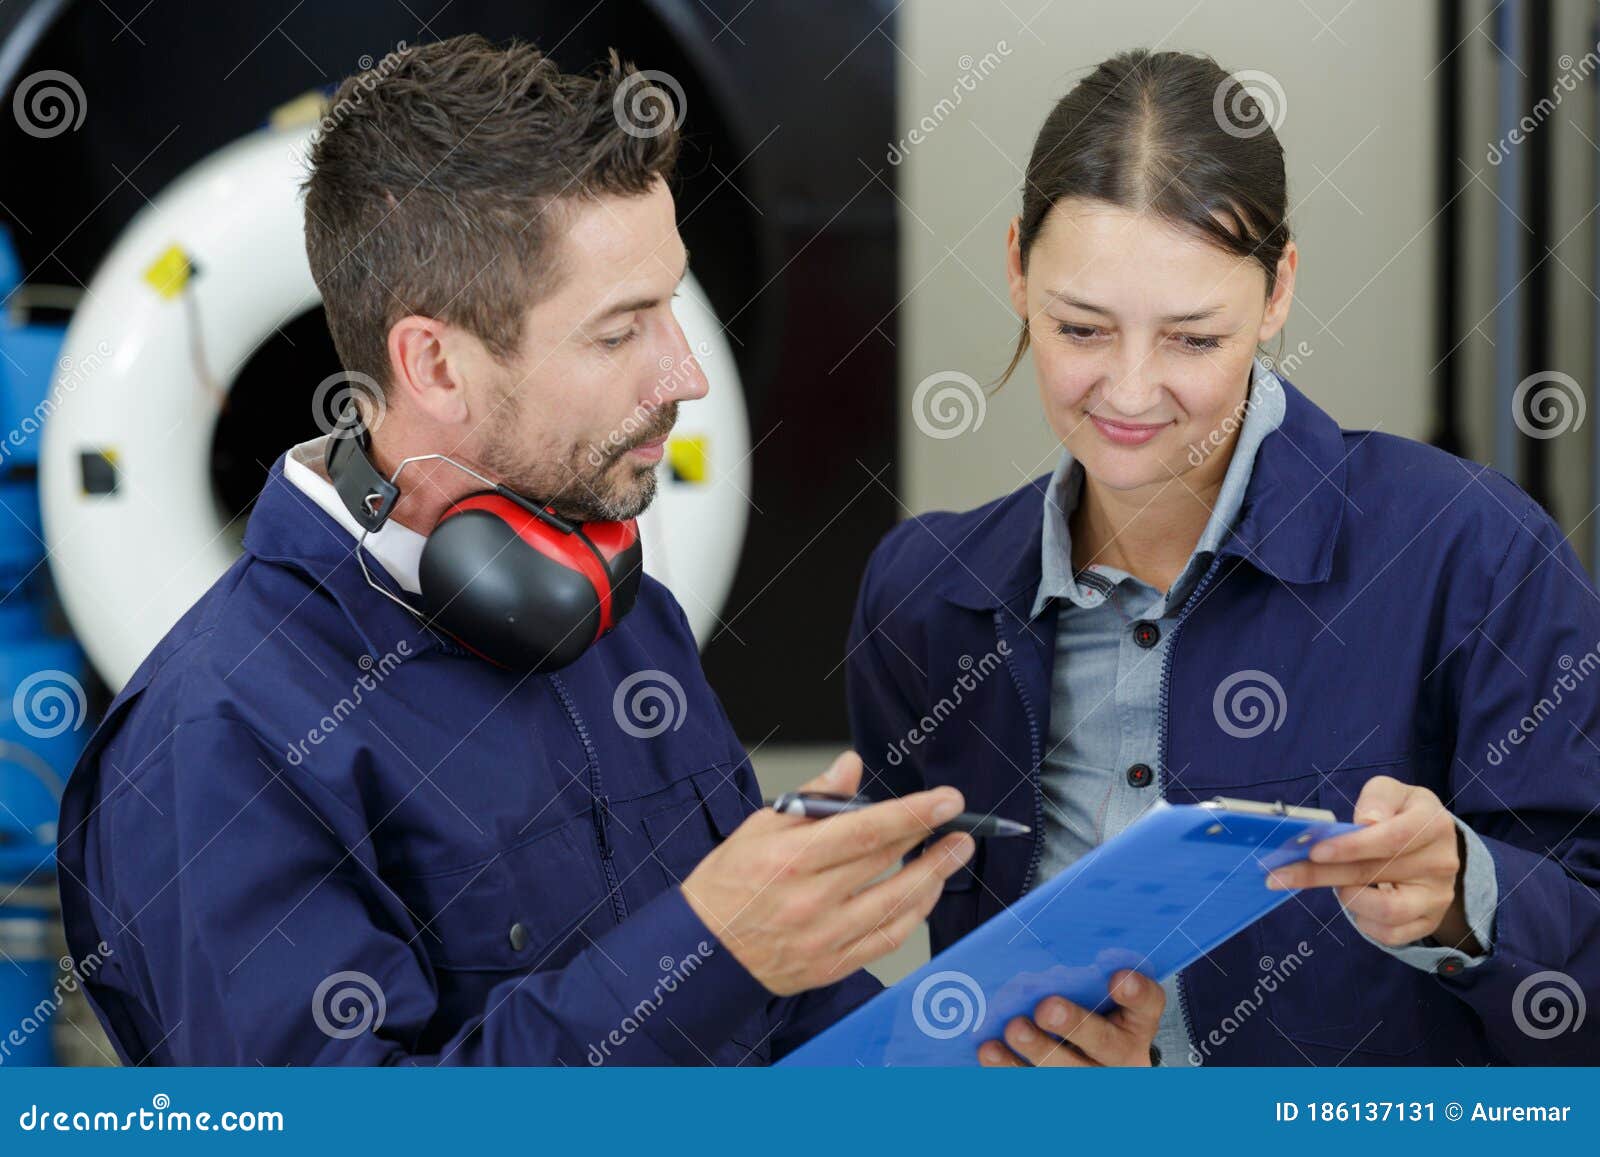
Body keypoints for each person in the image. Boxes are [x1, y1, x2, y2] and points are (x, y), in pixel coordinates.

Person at [53, 33, 1003, 1067]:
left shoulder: (620, 615)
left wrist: (976, 1062)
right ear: (435, 364)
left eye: (671, 305)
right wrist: (708, 951)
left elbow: (779, 1017)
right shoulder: (216, 738)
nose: (682, 373)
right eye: (619, 331)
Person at [847, 49, 1600, 1066]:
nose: (1127, 390)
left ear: (1278, 288)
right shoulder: (924, 596)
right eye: (1079, 328)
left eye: (1193, 339)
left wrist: (1470, 898)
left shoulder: (1469, 552)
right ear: (1017, 266)